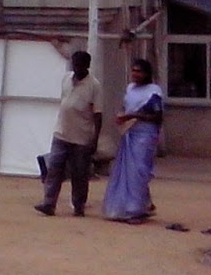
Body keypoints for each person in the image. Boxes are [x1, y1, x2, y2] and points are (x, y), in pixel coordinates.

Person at [34, 51, 101, 217]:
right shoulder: (66, 79)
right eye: (74, 65)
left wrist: (95, 139)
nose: (76, 68)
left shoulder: (94, 86)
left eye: (80, 65)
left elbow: (98, 114)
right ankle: (49, 203)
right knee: (54, 169)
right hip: (61, 133)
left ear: (87, 66)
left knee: (79, 174)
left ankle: (79, 206)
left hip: (82, 137)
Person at [102, 58, 165, 223]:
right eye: (134, 71)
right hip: (130, 132)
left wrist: (133, 116)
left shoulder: (154, 91)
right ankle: (129, 207)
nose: (135, 74)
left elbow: (157, 116)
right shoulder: (130, 88)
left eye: (139, 71)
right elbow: (126, 107)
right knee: (126, 172)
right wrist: (122, 116)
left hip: (145, 135)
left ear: (146, 74)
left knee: (139, 171)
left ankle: (136, 210)